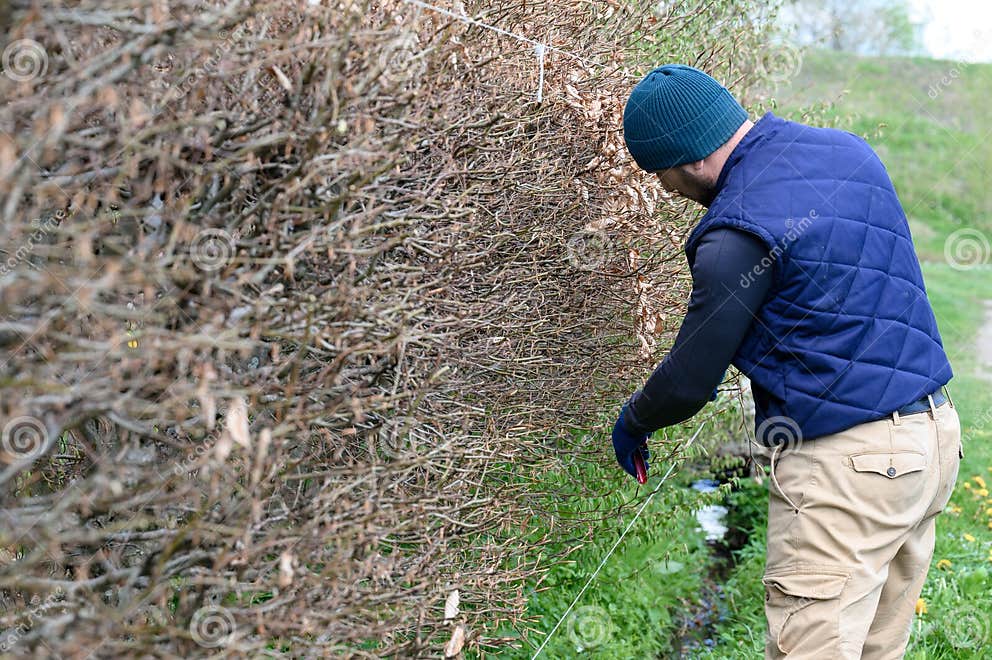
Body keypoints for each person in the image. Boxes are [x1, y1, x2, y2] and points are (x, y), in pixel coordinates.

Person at [611, 64, 962, 659]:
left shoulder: (733, 235)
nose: (665, 190)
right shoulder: (849, 153)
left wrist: (636, 419)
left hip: (849, 469)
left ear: (691, 160)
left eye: (660, 174)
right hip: (931, 445)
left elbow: (692, 378)